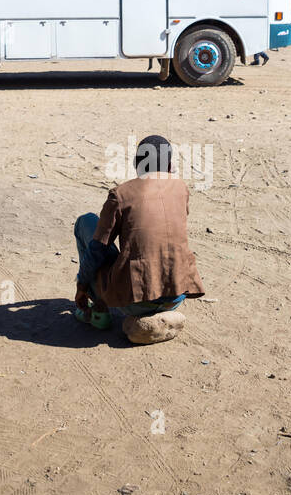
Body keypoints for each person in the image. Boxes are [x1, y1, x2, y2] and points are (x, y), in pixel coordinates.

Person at [72, 135, 205, 344]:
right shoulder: (181, 188)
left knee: (86, 223)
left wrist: (81, 286)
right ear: (169, 165)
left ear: (136, 164)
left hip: (136, 301)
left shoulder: (120, 194)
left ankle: (98, 311)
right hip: (177, 294)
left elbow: (97, 250)